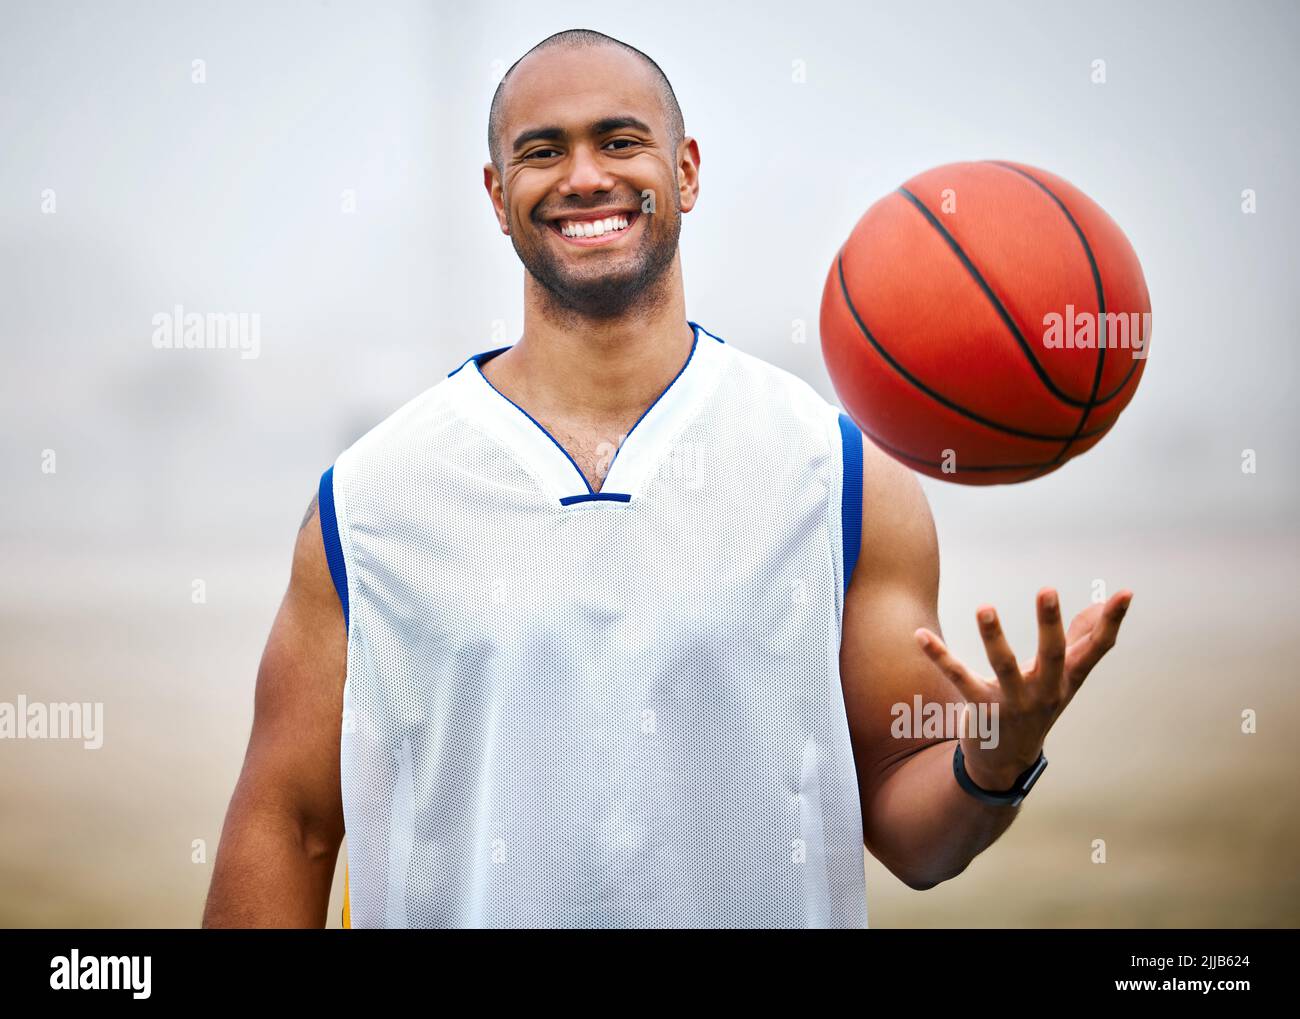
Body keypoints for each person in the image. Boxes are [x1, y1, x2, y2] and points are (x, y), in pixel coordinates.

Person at [202, 28, 1132, 929]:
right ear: (497, 193)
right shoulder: (370, 498)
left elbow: (911, 829)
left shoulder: (839, 477)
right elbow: (290, 824)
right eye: (543, 151)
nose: (585, 177)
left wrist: (996, 756)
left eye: (620, 140)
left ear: (685, 170)